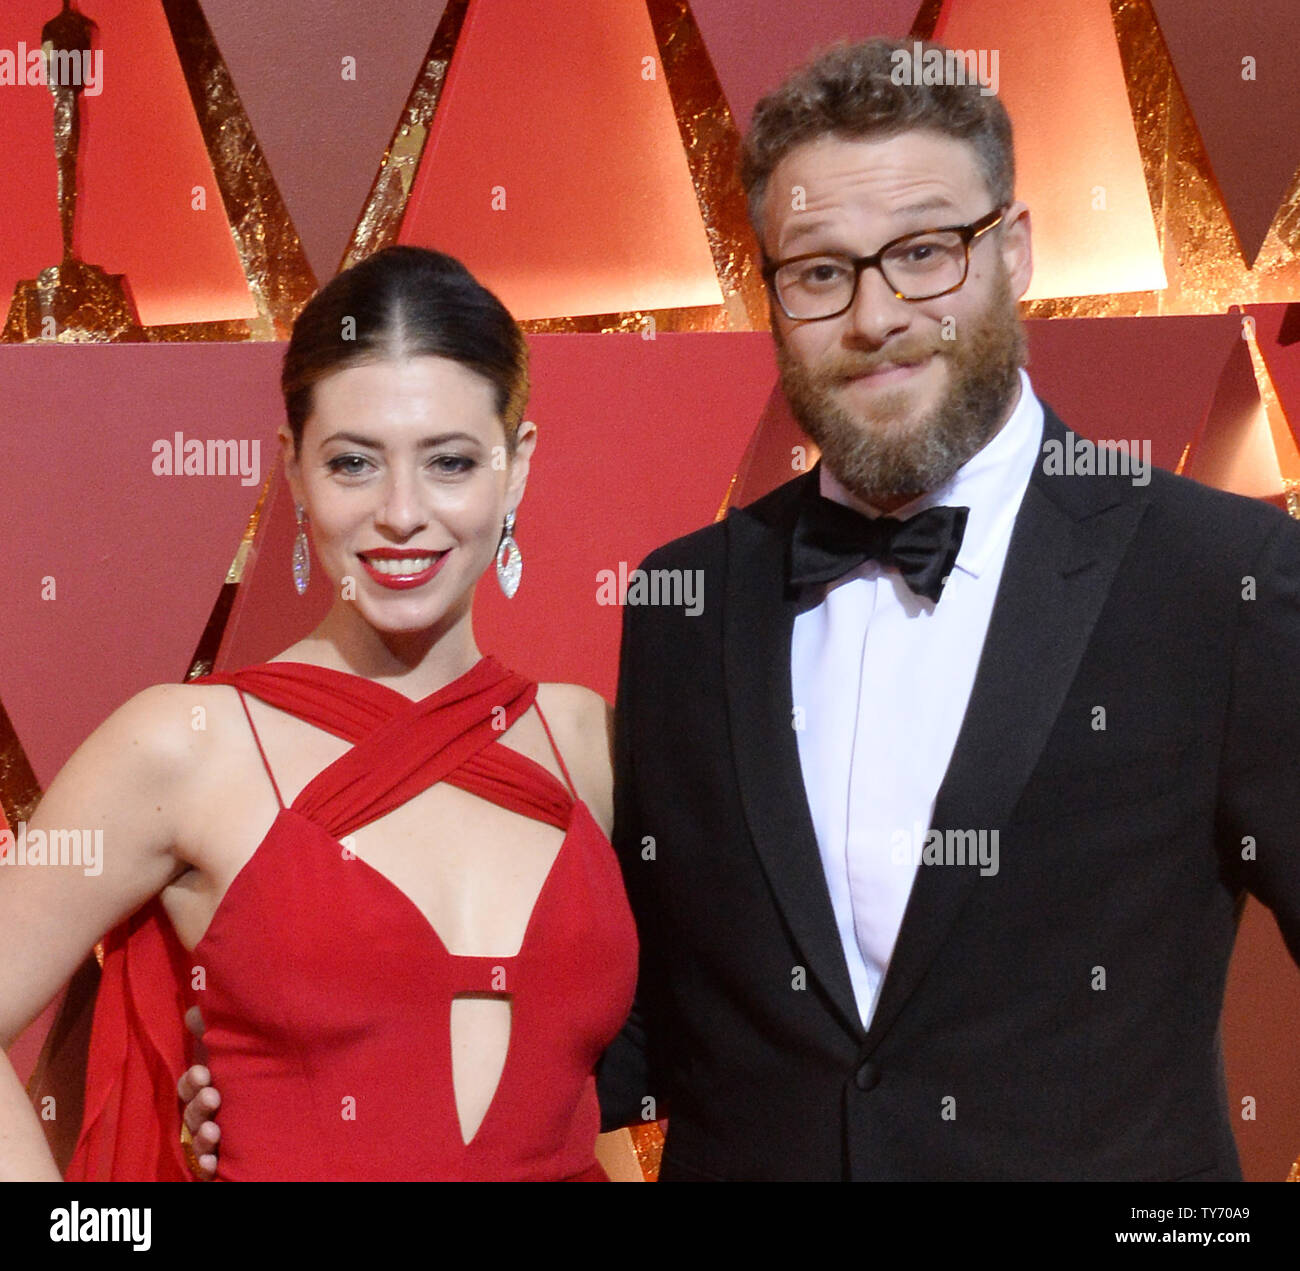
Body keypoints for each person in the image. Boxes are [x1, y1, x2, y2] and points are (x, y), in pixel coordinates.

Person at [185, 36, 1300, 1181]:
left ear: (1013, 251)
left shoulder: (1220, 576)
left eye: (922, 252)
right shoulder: (688, 600)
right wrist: (309, 1073)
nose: (874, 317)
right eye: (819, 271)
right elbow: (647, 1011)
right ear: (768, 287)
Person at [0, 246, 639, 1181]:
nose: (402, 513)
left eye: (451, 462)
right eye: (353, 464)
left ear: (519, 468)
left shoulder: (586, 740)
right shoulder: (185, 746)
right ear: (293, 472)